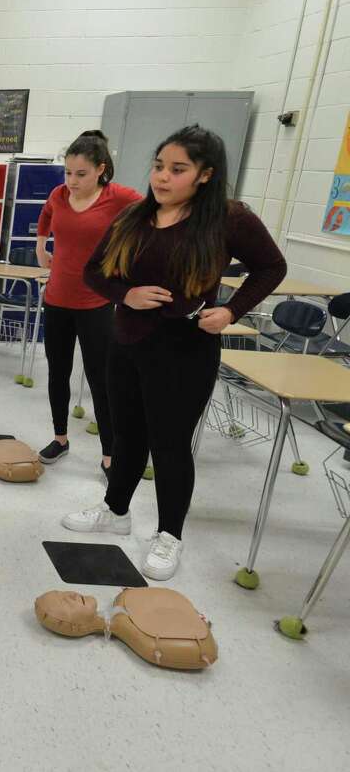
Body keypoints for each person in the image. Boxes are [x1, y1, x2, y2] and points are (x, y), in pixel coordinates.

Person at [59, 125, 287, 580]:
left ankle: (169, 535)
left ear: (205, 175)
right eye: (159, 166)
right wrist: (128, 295)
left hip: (184, 351)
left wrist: (231, 312)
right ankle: (116, 511)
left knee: (169, 446)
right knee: (126, 435)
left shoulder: (228, 218)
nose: (162, 177)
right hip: (127, 343)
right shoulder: (134, 216)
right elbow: (95, 274)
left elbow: (271, 267)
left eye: (177, 169)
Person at [35, 131, 142, 475]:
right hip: (57, 299)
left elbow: (151, 215)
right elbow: (46, 216)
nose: (72, 181)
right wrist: (40, 245)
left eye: (80, 174)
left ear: (100, 169)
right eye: (68, 173)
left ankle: (110, 452)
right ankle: (60, 438)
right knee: (57, 372)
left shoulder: (118, 197)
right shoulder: (59, 195)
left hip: (95, 303)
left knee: (101, 379)